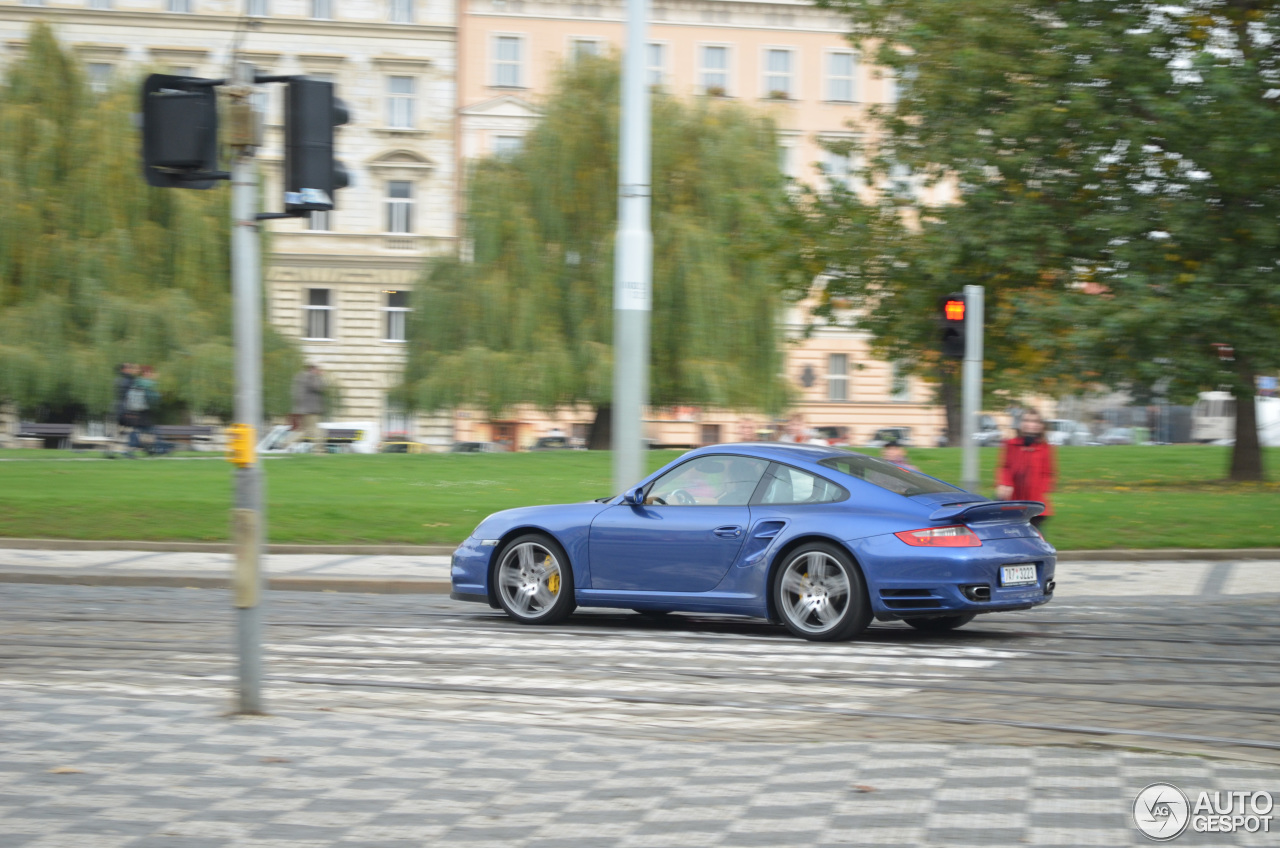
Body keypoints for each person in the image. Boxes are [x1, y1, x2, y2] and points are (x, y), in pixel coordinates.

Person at [995, 407, 1057, 535]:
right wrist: (1005, 484)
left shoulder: (1045, 448)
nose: (1031, 425)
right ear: (1021, 423)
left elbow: (1049, 473)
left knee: (1035, 538)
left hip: (1034, 502)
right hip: (1012, 500)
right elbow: (1004, 467)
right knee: (1009, 535)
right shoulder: (1011, 444)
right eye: (1027, 421)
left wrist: (1042, 489)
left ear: (1041, 426)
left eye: (1035, 422)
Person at [291, 364, 327, 454]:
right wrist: (320, 377)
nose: (319, 371)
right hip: (311, 409)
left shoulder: (300, 376)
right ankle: (319, 450)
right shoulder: (311, 377)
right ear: (313, 369)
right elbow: (319, 387)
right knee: (316, 430)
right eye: (317, 369)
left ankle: (286, 443)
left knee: (305, 430)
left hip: (303, 409)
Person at [125, 365, 159, 455]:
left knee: (143, 430)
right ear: (144, 373)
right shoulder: (144, 382)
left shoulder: (138, 382)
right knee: (145, 430)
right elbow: (153, 394)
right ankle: (143, 448)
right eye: (146, 372)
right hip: (142, 409)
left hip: (142, 410)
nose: (148, 374)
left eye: (149, 372)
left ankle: (145, 448)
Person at [111, 363, 137, 457]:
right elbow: (130, 395)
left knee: (121, 431)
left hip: (119, 407)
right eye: (128, 368)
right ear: (123, 369)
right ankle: (124, 451)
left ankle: (114, 450)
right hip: (125, 408)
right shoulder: (128, 380)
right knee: (127, 430)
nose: (130, 369)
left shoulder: (118, 380)